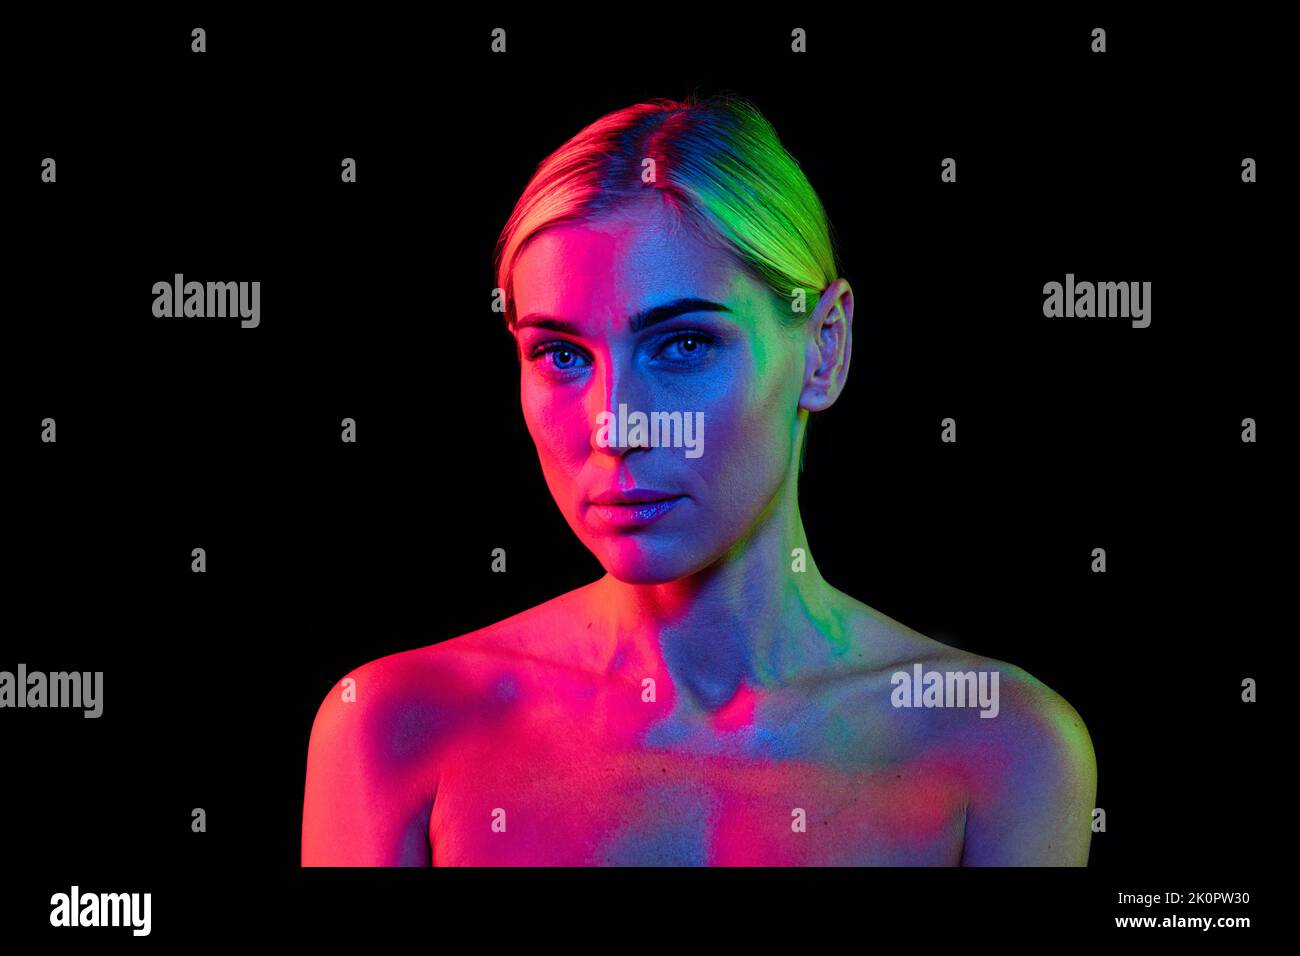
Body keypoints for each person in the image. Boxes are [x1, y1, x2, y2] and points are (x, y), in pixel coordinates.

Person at [302, 93, 1097, 866]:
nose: (617, 427)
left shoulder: (1000, 749)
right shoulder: (395, 727)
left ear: (824, 349)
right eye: (561, 354)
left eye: (682, 345)